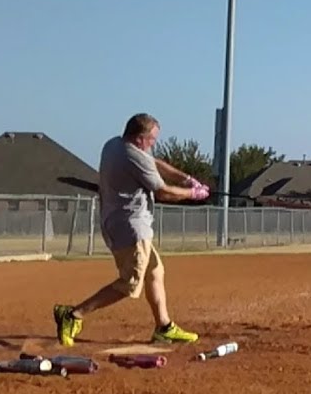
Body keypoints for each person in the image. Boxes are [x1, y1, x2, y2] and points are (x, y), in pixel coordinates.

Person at [52, 113, 211, 347]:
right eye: (152, 139)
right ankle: (74, 314)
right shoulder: (134, 157)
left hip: (123, 223)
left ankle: (164, 327)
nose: (153, 144)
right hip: (131, 229)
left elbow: (154, 162)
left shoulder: (113, 144)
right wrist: (193, 194)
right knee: (129, 283)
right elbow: (162, 192)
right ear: (139, 139)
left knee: (155, 271)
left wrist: (187, 179)